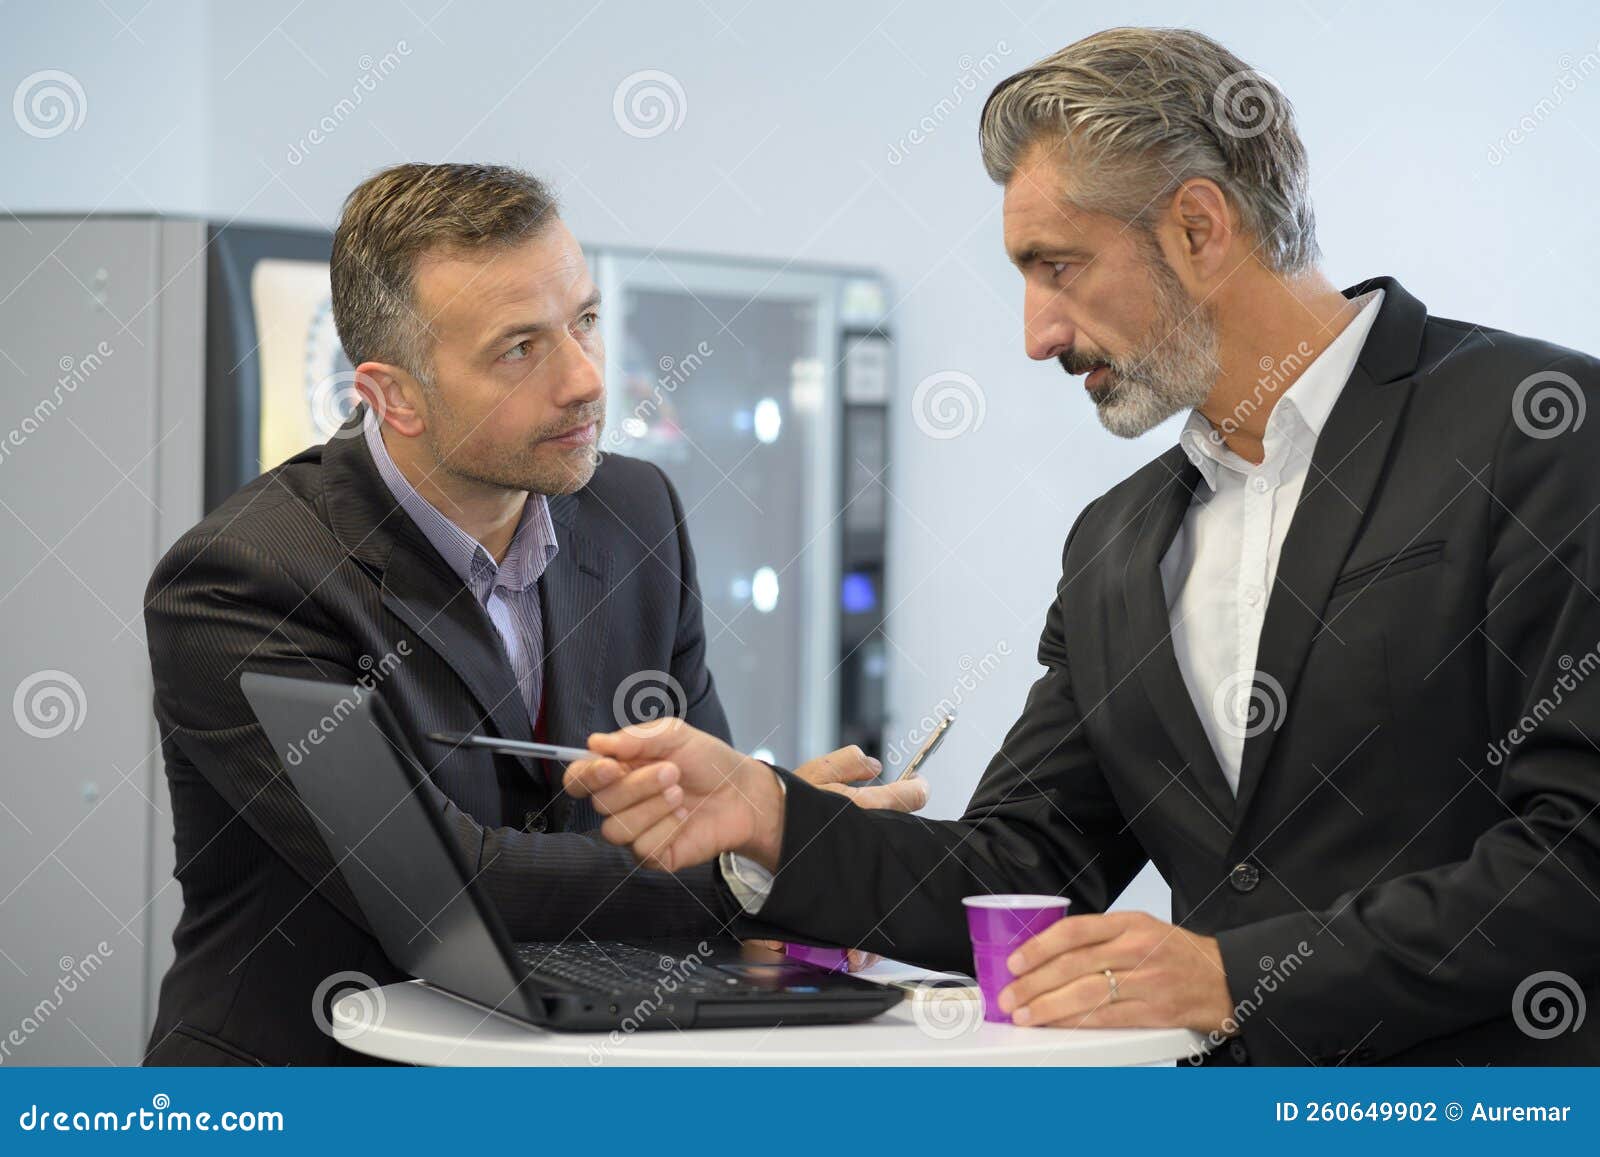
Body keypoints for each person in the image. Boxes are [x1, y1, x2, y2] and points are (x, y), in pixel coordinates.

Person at [566, 28, 1600, 1065]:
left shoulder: (1539, 428)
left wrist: (1234, 973)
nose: (1036, 335)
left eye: (1056, 268)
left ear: (1199, 227)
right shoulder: (1114, 544)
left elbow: (1577, 853)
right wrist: (770, 815)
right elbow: (1019, 861)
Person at [141, 163, 924, 1066]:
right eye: (520, 348)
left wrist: (782, 886)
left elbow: (686, 817)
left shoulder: (635, 511)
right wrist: (759, 867)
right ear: (391, 393)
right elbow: (436, 884)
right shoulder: (245, 577)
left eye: (584, 320)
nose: (587, 379)